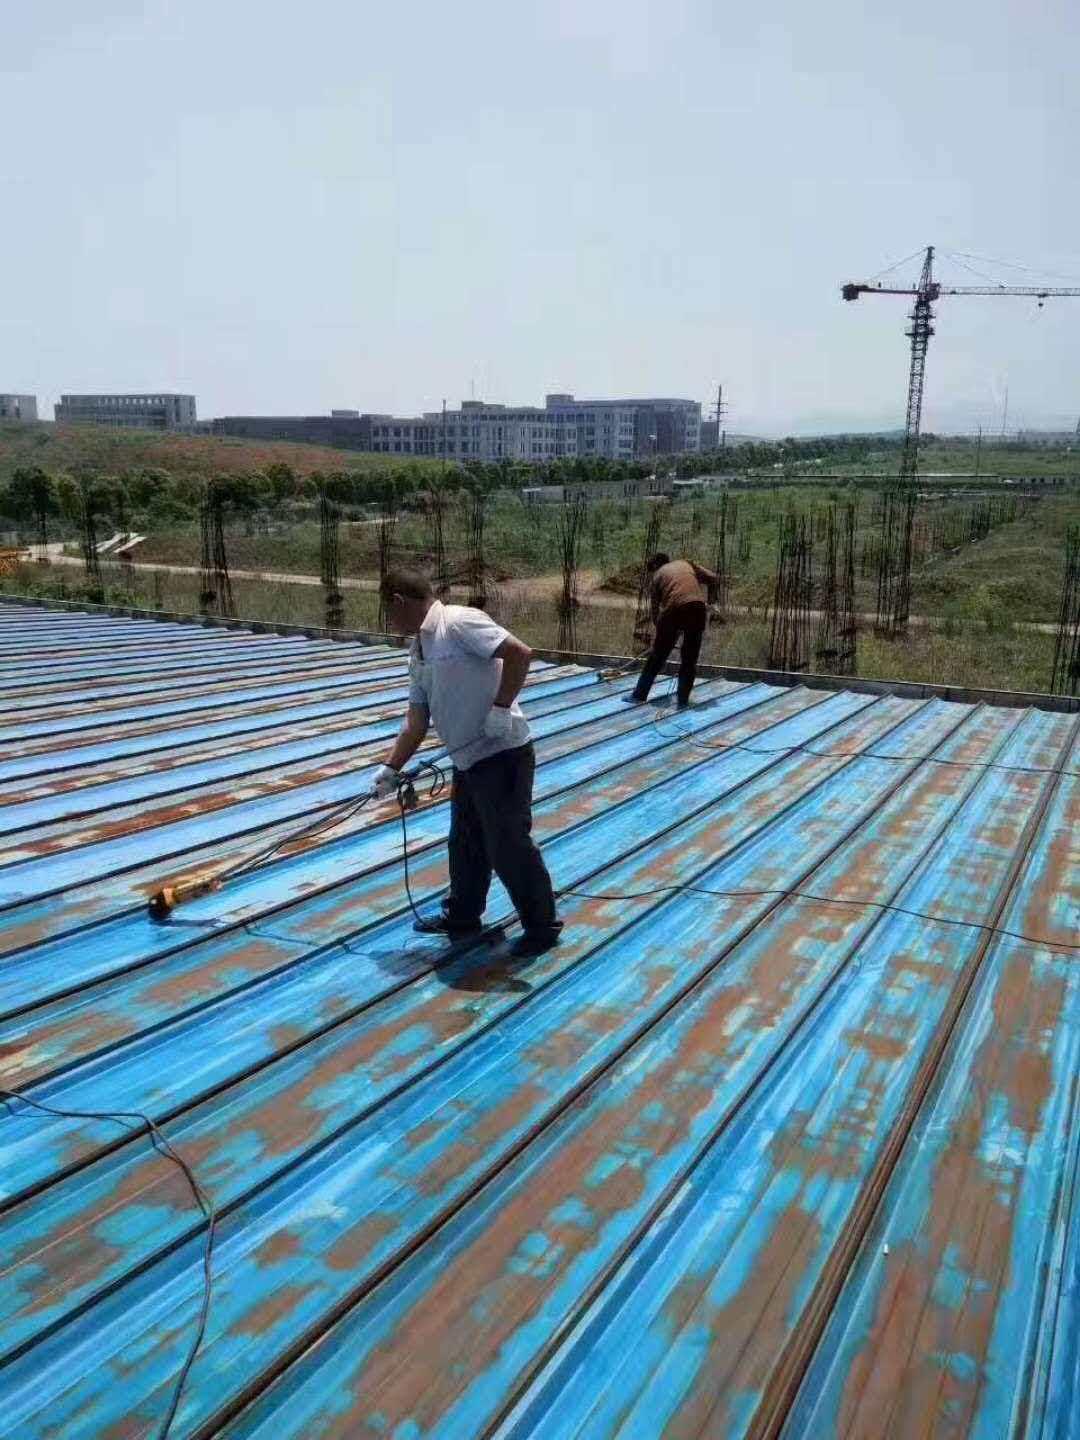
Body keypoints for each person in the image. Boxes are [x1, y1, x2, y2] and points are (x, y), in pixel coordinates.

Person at [370, 567, 562, 959]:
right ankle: (462, 916)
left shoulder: (458, 623)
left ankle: (541, 927)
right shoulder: (418, 652)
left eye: (388, 612)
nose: (390, 621)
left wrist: (501, 707)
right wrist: (391, 769)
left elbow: (519, 654)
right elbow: (416, 721)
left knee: (507, 844)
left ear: (398, 602)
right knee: (465, 842)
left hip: (503, 754)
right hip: (468, 760)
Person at [628, 552, 716, 707]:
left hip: (674, 609)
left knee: (657, 657)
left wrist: (663, 638)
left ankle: (639, 695)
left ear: (656, 566)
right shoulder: (686, 563)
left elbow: (655, 613)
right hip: (698, 608)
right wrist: (711, 603)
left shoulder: (658, 576)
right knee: (689, 659)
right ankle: (682, 701)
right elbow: (713, 578)